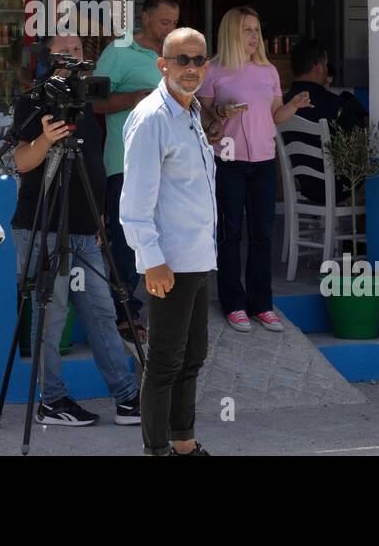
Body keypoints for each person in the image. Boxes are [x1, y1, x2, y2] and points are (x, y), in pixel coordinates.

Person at [10, 32, 141, 428]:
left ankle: (127, 398)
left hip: (85, 230)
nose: (73, 56)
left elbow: (93, 167)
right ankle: (53, 400)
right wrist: (45, 139)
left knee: (101, 312)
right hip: (44, 225)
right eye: (64, 51)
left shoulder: (86, 107)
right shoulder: (32, 103)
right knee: (51, 315)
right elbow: (21, 161)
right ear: (46, 58)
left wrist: (100, 217)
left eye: (80, 51)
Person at [122, 27, 218, 456]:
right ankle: (156, 450)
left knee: (192, 358)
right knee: (163, 363)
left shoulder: (192, 111)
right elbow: (135, 202)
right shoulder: (151, 118)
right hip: (170, 263)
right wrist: (152, 260)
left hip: (198, 258)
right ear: (163, 65)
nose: (192, 68)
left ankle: (184, 444)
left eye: (199, 60)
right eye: (183, 60)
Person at [198, 6, 311, 332]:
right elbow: (204, 117)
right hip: (228, 162)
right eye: (247, 29)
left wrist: (293, 105)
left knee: (262, 235)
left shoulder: (268, 71)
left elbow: (276, 115)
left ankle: (262, 304)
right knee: (230, 234)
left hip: (263, 162)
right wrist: (222, 113)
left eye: (257, 29)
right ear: (232, 32)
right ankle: (233, 304)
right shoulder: (213, 70)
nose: (254, 36)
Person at [93, 0, 181, 343]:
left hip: (170, 165)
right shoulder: (118, 51)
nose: (170, 28)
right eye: (164, 21)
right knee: (127, 243)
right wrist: (134, 98)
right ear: (145, 17)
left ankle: (168, 308)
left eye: (175, 22)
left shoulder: (176, 52)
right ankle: (125, 312)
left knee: (169, 237)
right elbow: (94, 102)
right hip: (125, 163)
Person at [279, 38, 368, 206]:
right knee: (377, 166)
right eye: (326, 65)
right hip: (337, 188)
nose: (326, 70)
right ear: (318, 66)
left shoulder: (284, 105)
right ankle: (365, 229)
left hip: (304, 186)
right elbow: (359, 140)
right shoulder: (334, 104)